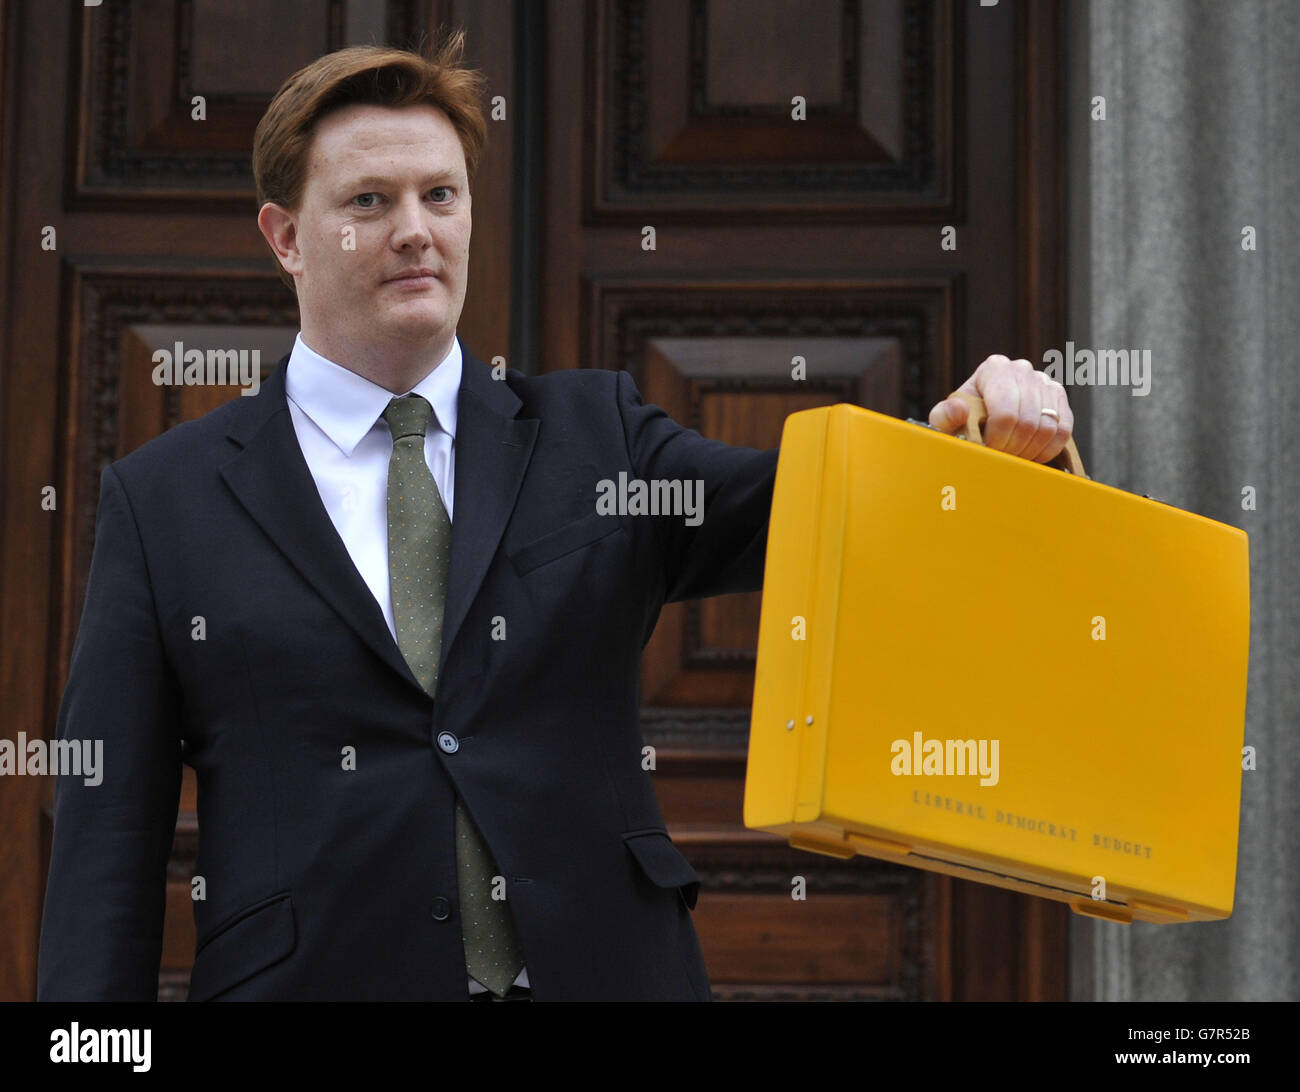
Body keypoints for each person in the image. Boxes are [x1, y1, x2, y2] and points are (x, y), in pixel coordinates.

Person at [36, 34, 1075, 1002]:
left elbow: (805, 505)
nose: (415, 229)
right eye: (369, 198)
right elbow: (105, 847)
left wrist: (964, 440)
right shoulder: (166, 499)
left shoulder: (597, 436)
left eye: (441, 193)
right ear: (285, 238)